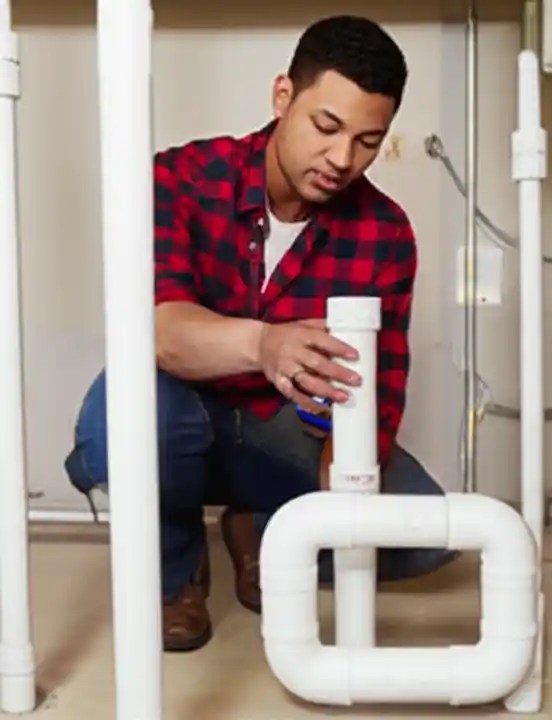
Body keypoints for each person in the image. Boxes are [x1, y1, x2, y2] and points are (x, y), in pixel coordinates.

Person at [63, 15, 456, 653]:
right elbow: (161, 331)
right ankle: (174, 570)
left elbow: (378, 393)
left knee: (423, 532)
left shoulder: (386, 233)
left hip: (285, 432)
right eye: (326, 128)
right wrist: (264, 343)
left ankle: (265, 534)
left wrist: (344, 497)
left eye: (367, 141)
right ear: (283, 97)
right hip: (182, 414)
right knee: (127, 423)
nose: (341, 159)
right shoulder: (181, 179)